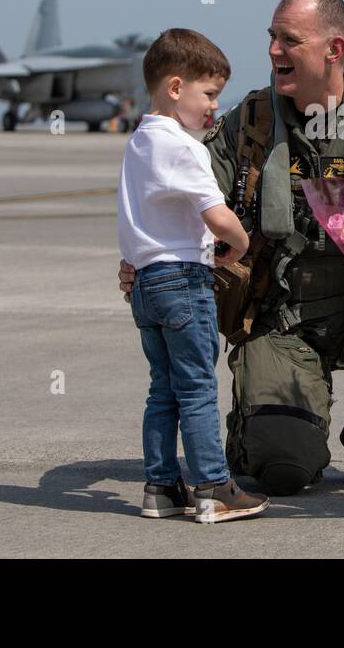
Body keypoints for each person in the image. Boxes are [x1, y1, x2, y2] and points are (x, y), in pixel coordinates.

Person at [118, 0, 344, 496]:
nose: (274, 50)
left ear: (334, 49)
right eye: (272, 38)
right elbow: (177, 189)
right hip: (283, 322)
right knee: (281, 470)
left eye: (289, 40)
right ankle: (259, 428)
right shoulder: (250, 124)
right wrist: (145, 258)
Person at [120, 28, 269, 523]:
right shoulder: (185, 147)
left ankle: (161, 486)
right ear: (176, 87)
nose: (213, 107)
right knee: (199, 385)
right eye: (209, 94)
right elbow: (216, 214)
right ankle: (213, 486)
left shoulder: (139, 142)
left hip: (146, 283)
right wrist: (241, 242)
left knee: (162, 387)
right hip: (184, 281)